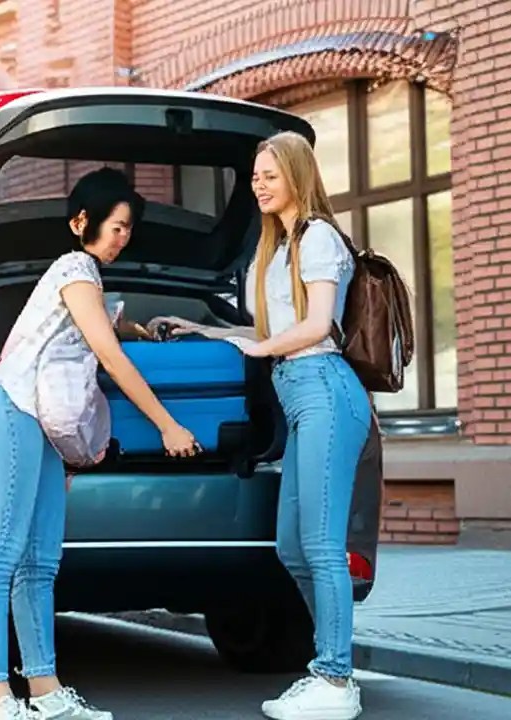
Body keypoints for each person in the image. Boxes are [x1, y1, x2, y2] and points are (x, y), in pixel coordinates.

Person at [150, 131, 370, 720]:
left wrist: (265, 346)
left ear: (297, 175)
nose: (258, 184)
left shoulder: (319, 238)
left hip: (325, 387)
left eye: (269, 174)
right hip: (298, 396)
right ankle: (328, 667)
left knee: (321, 544)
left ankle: (335, 678)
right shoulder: (272, 250)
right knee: (292, 547)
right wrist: (199, 330)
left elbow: (319, 325)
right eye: (253, 176)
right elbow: (260, 335)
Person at [0, 167, 200, 720]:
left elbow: (100, 342)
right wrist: (167, 424)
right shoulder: (75, 268)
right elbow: (111, 360)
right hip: (16, 410)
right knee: (2, 554)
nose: (124, 237)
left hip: (44, 424)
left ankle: (46, 692)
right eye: (116, 226)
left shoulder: (88, 281)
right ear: (81, 223)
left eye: (128, 229)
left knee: (41, 561)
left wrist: (137, 330)